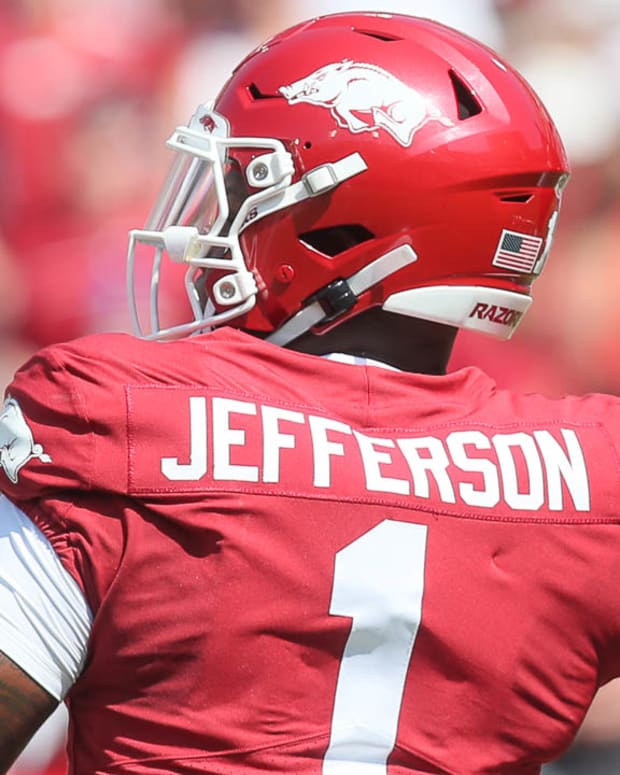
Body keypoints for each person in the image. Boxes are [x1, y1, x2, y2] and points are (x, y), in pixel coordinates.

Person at [2, 10, 613, 774]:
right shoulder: (590, 476)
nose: (211, 225)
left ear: (340, 229)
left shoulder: (120, 423)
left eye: (240, 184)